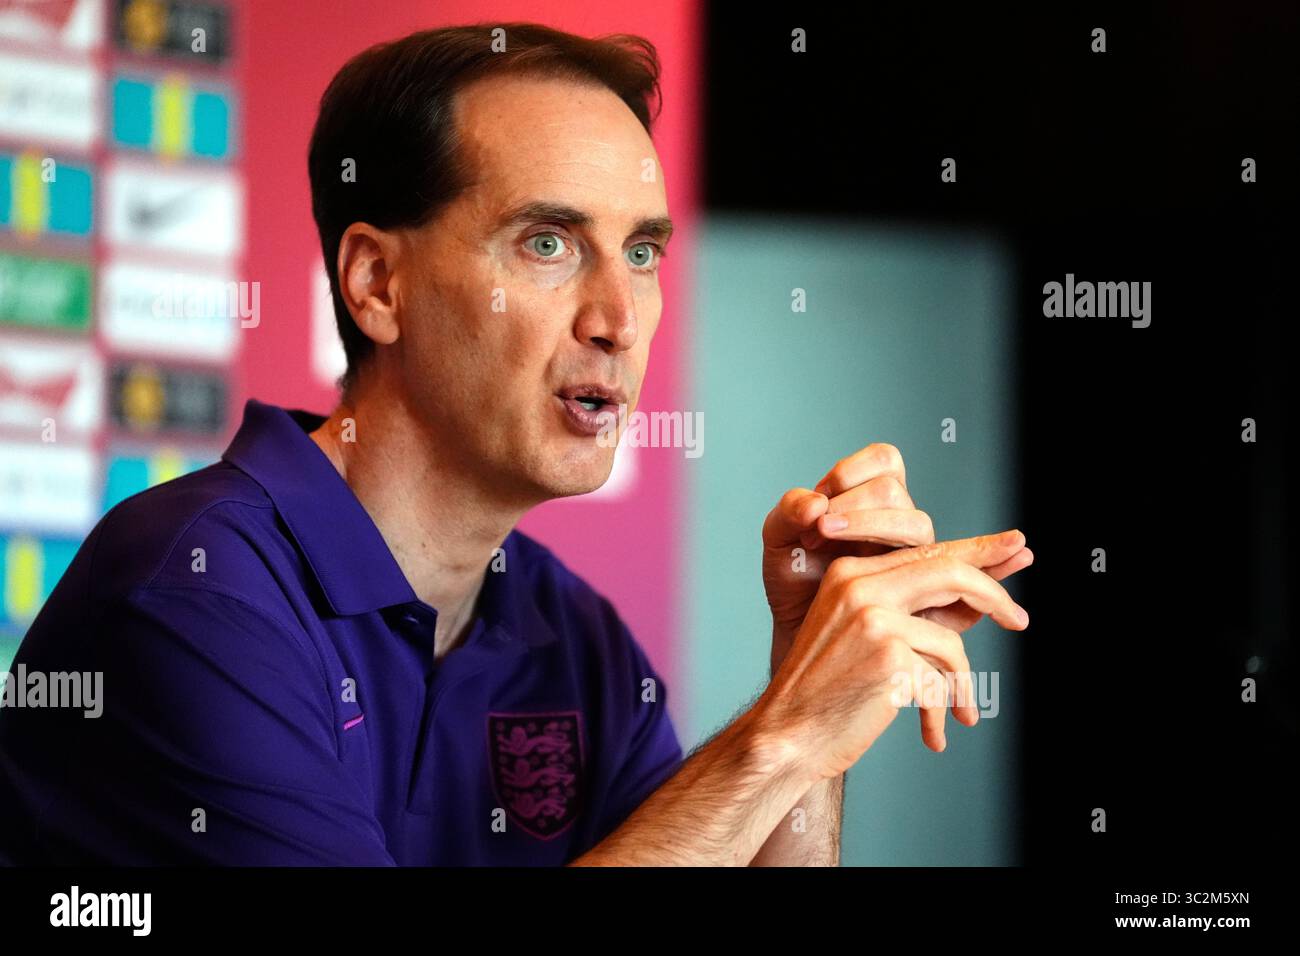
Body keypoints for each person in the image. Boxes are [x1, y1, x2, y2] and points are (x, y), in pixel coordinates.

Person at [0, 23, 1032, 866]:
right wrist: (782, 732)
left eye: (640, 252)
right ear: (376, 285)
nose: (618, 318)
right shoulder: (193, 591)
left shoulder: (569, 632)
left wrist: (807, 690)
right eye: (547, 243)